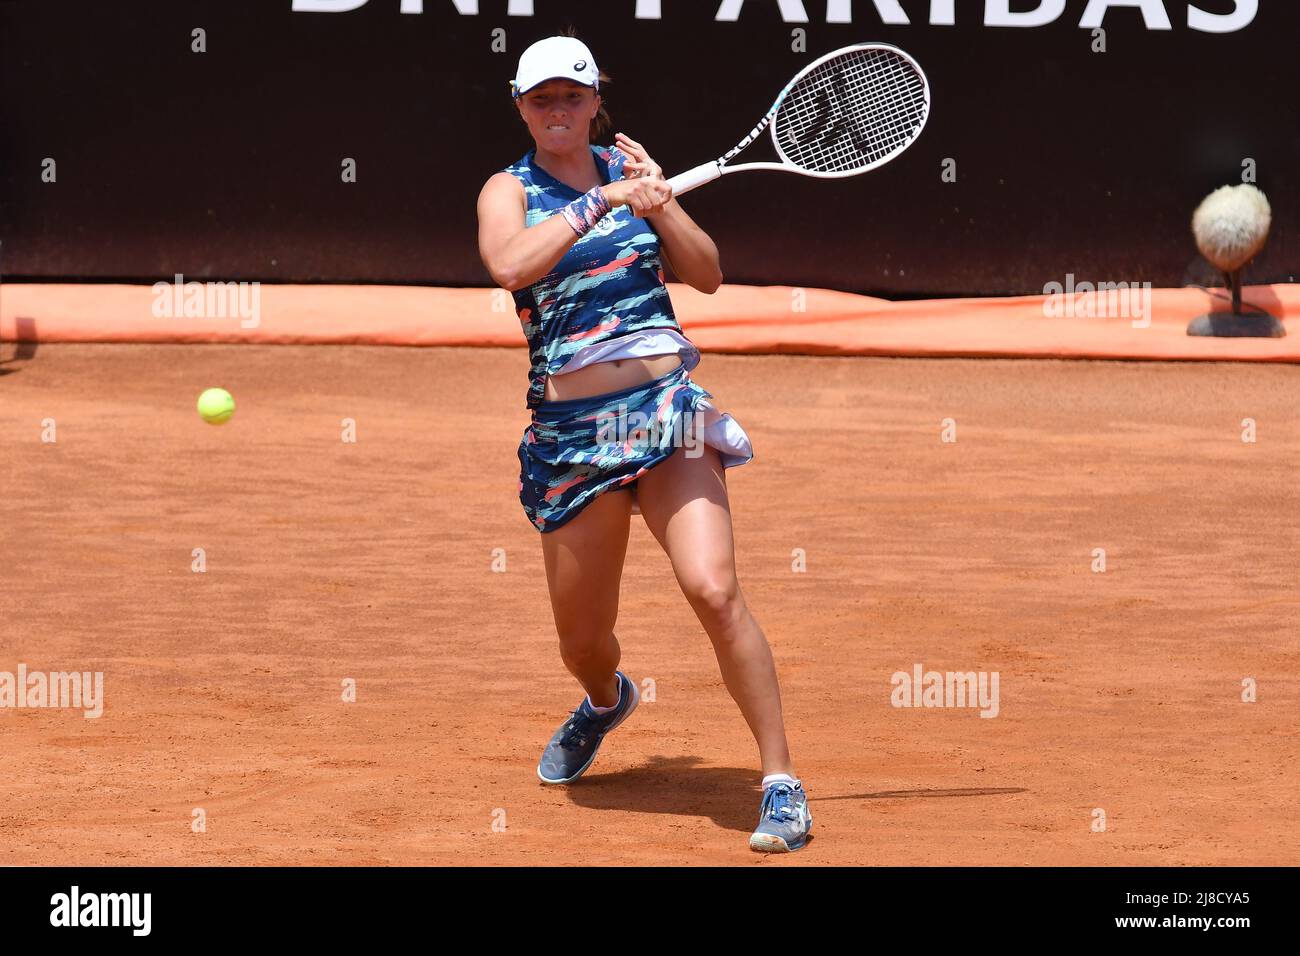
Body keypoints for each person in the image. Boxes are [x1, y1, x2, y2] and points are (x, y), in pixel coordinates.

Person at [476, 34, 812, 852]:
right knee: (583, 641)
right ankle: (604, 701)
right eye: (540, 98)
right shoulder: (507, 189)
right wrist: (598, 204)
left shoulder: (634, 176)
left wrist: (658, 203)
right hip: (574, 437)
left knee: (714, 589)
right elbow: (508, 265)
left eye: (572, 96)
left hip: (666, 416)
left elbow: (706, 273)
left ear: (597, 100)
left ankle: (780, 782)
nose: (557, 110)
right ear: (520, 106)